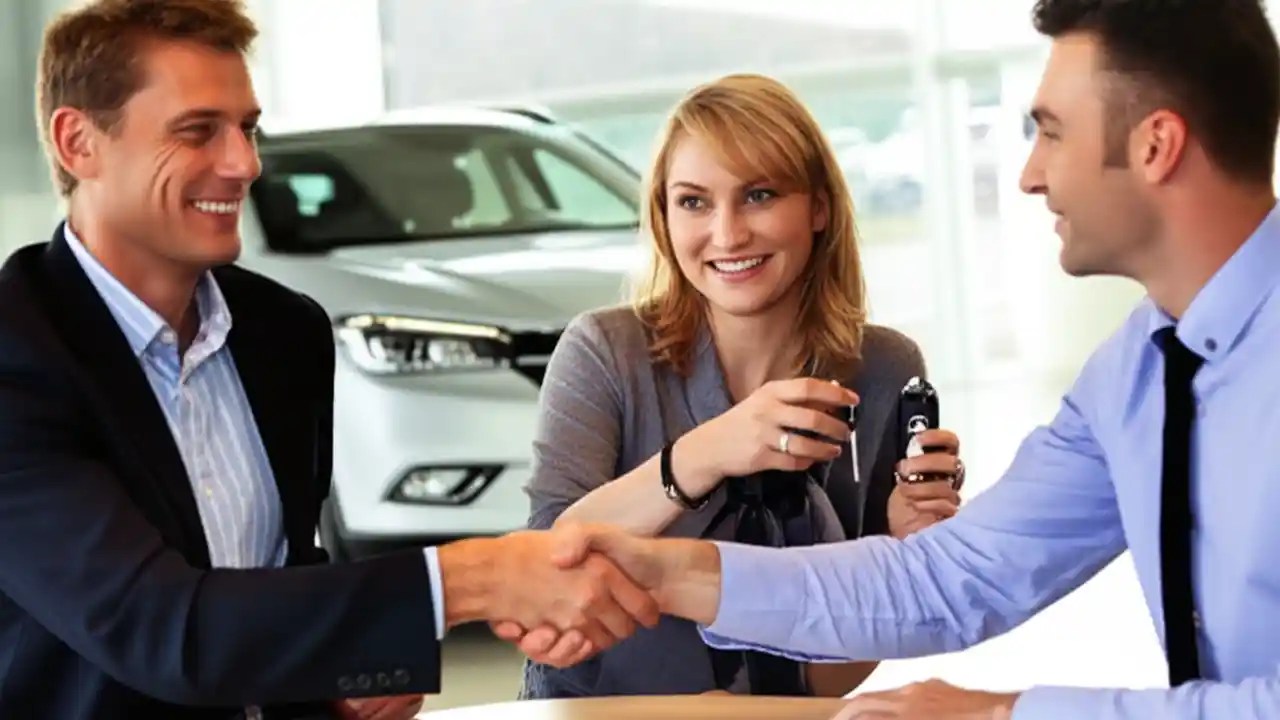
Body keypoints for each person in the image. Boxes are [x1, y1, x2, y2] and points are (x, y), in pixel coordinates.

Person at [504, 0, 1280, 717]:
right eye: (694, 201)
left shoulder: (887, 365)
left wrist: (1006, 713)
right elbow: (946, 579)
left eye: (1052, 132)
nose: (1029, 175)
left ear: (1155, 146)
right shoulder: (1135, 376)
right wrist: (661, 571)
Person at [0, 2, 657, 719]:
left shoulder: (284, 331)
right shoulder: (17, 356)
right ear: (78, 142)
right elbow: (161, 628)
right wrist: (476, 578)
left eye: (247, 128)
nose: (244, 163)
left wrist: (339, 679)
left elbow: (283, 569)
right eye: (197, 131)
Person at [516, 74, 966, 700]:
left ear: (818, 208)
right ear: (663, 217)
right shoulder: (604, 351)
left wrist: (899, 554)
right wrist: (706, 453)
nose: (727, 235)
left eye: (758, 195)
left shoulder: (885, 368)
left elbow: (831, 669)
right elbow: (541, 571)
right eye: (693, 202)